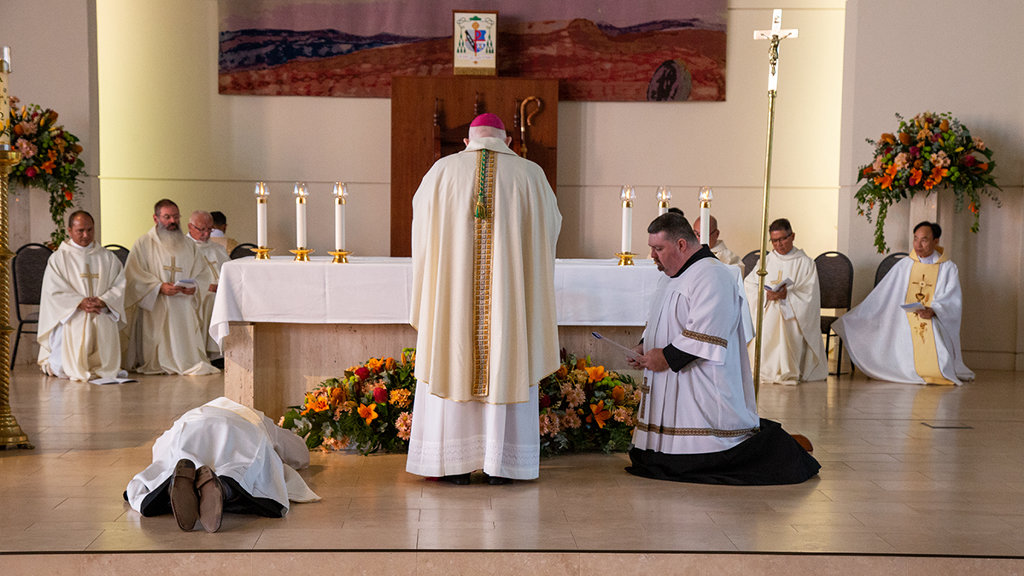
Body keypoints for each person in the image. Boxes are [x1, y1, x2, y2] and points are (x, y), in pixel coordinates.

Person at [405, 112, 561, 485]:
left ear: (467, 142)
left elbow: (422, 233)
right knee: (506, 358)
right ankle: (503, 465)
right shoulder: (530, 175)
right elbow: (550, 229)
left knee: (452, 353)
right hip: (510, 305)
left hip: (453, 301)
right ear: (508, 141)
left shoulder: (442, 172)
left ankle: (451, 465)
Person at [626, 212, 819, 484]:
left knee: (709, 455)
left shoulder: (712, 274)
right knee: (657, 460)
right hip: (671, 383)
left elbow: (707, 331)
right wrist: (645, 346)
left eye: (658, 249)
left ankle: (783, 449)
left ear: (682, 245)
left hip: (702, 384)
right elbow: (664, 318)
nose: (653, 256)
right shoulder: (671, 275)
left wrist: (666, 357)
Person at [124, 396, 320, 532]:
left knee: (171, 462)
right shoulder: (256, 417)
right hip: (241, 427)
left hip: (188, 428)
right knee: (244, 467)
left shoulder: (192, 414)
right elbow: (300, 455)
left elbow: (160, 445)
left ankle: (171, 485)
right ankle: (224, 487)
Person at [834, 222, 974, 385]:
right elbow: (886, 294)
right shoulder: (905, 265)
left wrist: (934, 309)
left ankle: (933, 370)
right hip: (903, 316)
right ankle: (905, 369)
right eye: (915, 239)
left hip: (934, 317)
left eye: (924, 240)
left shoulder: (948, 268)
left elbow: (952, 299)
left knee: (931, 329)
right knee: (894, 326)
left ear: (936, 241)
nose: (918, 245)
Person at [123, 199, 219, 375]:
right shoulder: (144, 244)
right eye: (167, 217)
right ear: (156, 218)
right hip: (157, 304)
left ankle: (186, 359)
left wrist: (195, 286)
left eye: (175, 216)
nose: (172, 221)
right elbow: (133, 275)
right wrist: (158, 287)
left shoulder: (189, 245)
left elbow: (203, 273)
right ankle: (157, 361)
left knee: (188, 353)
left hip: (183, 304)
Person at [36, 211, 128, 382]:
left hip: (101, 310)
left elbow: (119, 284)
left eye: (90, 230)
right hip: (72, 313)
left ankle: (102, 367)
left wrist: (103, 300)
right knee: (63, 365)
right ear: (70, 230)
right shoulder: (59, 258)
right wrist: (79, 302)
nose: (86, 235)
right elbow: (53, 291)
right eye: (80, 231)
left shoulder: (107, 257)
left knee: (104, 320)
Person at [744, 218, 827, 385]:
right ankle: (763, 367)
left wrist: (787, 296)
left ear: (792, 236)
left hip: (794, 317)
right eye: (774, 241)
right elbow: (749, 284)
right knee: (771, 314)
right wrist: (764, 295)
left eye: (783, 239)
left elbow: (809, 295)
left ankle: (789, 369)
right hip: (768, 312)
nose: (779, 244)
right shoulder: (766, 261)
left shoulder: (805, 262)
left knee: (780, 314)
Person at [187, 210, 230, 363]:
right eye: (201, 229)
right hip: (196, 293)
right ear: (190, 227)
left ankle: (225, 351)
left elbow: (228, 271)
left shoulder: (218, 249)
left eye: (209, 229)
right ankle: (211, 352)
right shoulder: (185, 248)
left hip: (219, 291)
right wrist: (207, 287)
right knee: (211, 299)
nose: (206, 234)